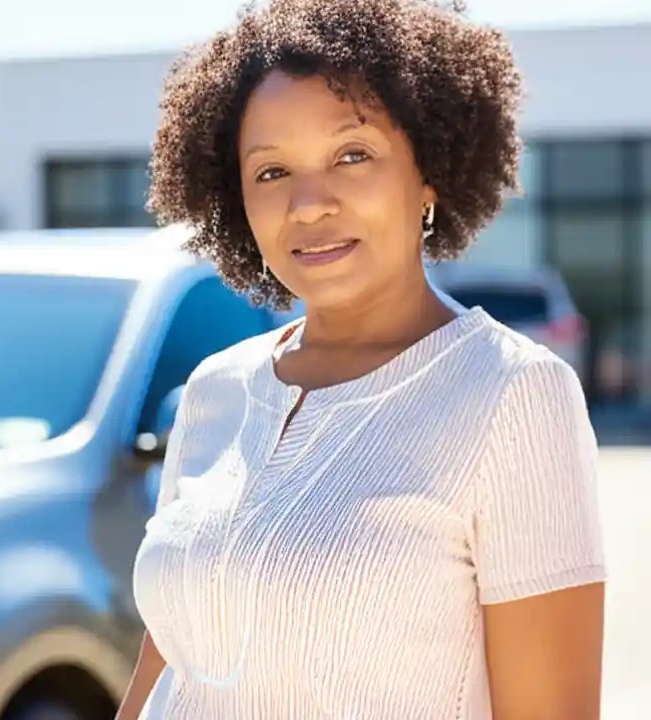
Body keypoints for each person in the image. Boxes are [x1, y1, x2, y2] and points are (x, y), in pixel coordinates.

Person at [117, 1, 606, 718]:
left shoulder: (512, 395)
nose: (309, 204)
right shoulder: (214, 392)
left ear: (429, 173)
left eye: (353, 155)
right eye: (273, 171)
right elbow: (172, 662)